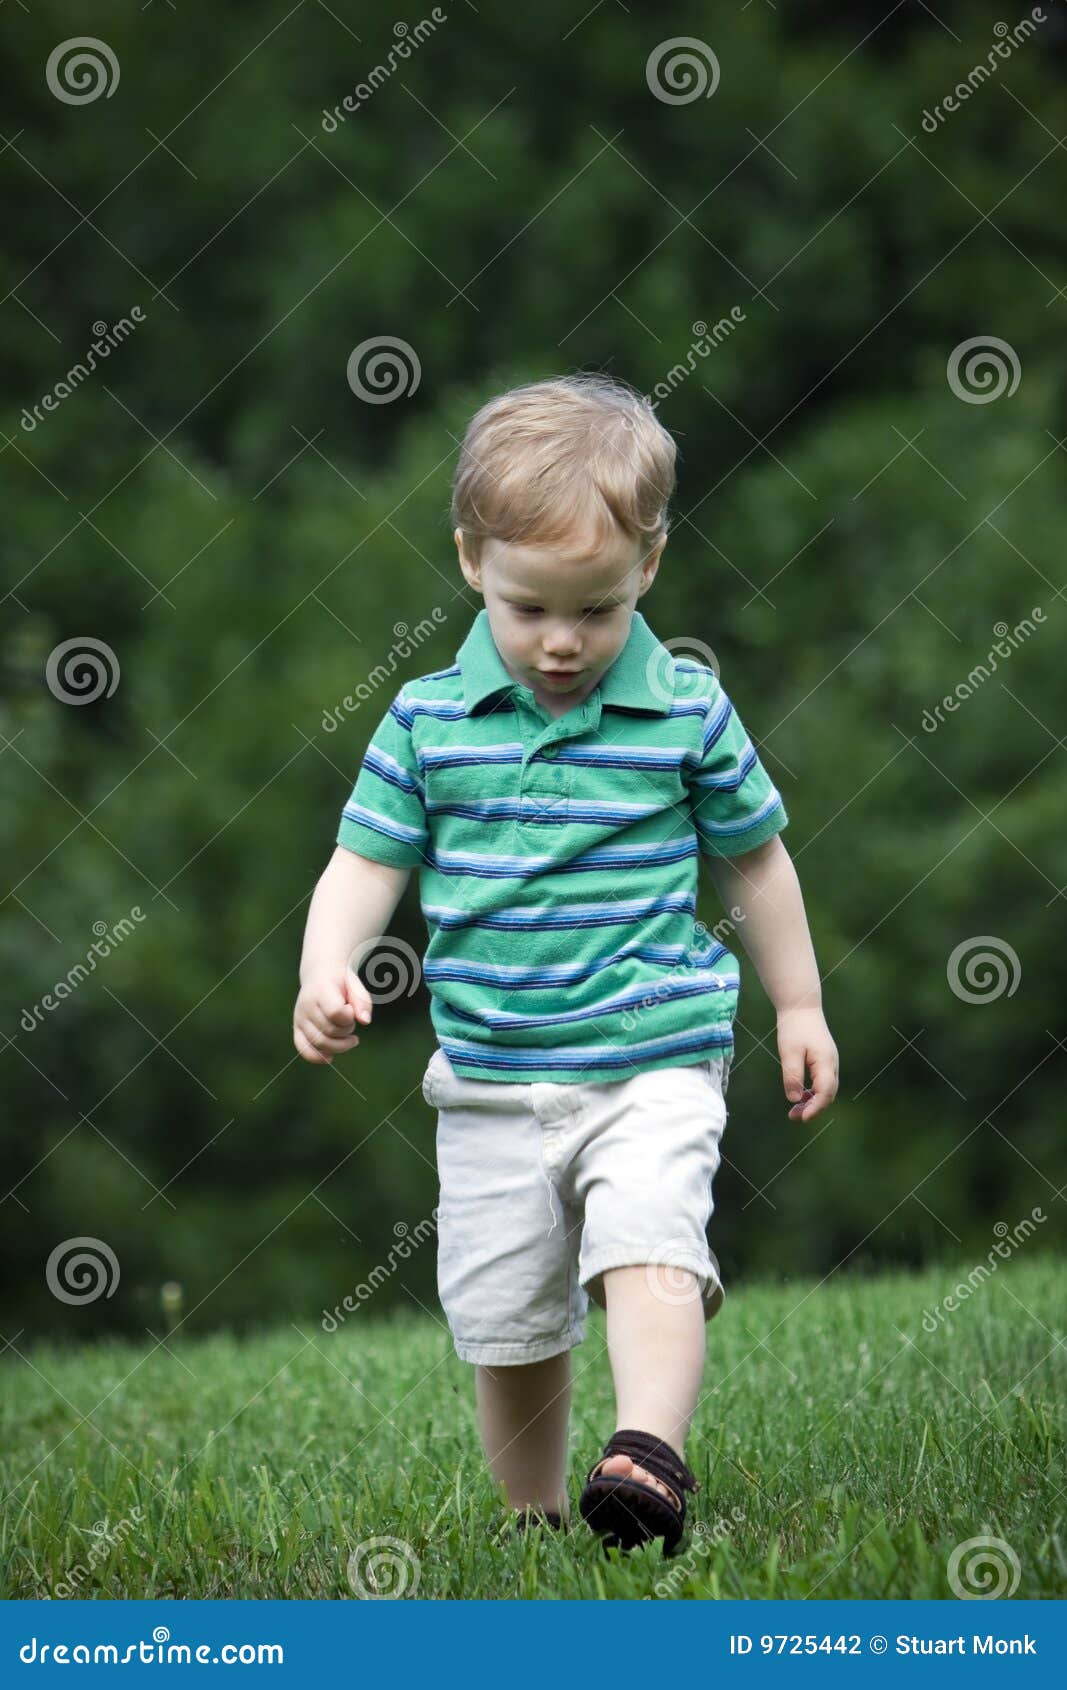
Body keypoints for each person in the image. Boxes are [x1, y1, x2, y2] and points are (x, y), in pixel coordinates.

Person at [293, 373, 839, 1557]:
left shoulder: (685, 711)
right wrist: (327, 965)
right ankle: (531, 1514)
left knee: (650, 1236)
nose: (559, 643)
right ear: (469, 561)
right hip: (487, 1077)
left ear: (646, 567)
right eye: (529, 606)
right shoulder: (425, 722)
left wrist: (798, 1002)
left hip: (652, 1054)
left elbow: (757, 865)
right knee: (505, 1314)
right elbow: (360, 865)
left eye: (592, 611)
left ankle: (646, 1451)